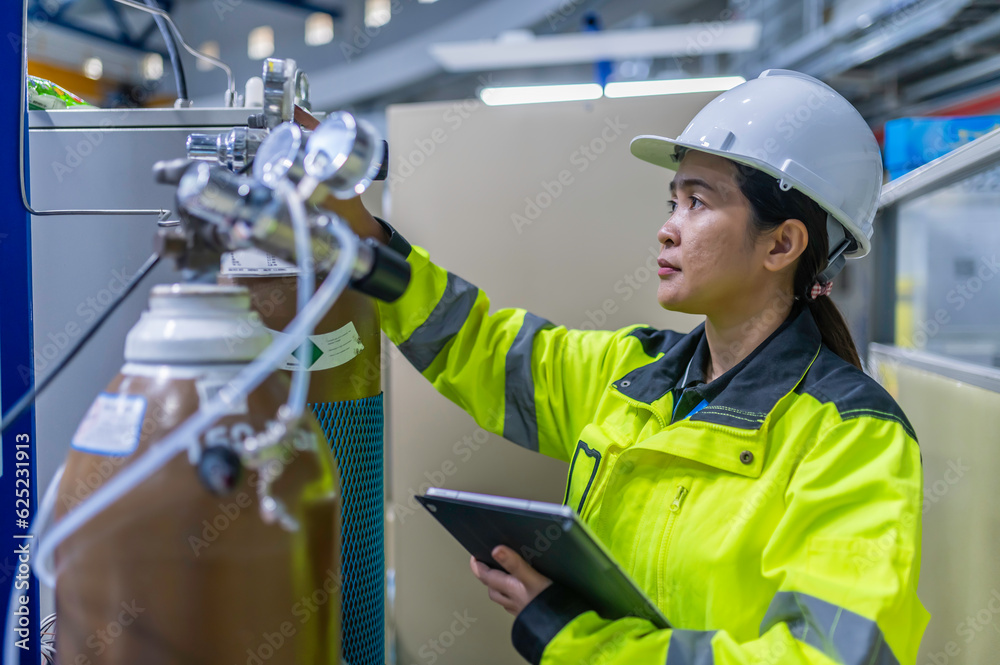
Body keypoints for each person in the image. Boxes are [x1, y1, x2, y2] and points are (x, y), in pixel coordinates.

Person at [333, 70, 928, 664]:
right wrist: (362, 245)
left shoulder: (853, 439)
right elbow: (482, 350)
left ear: (782, 245)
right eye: (673, 201)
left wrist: (575, 639)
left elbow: (824, 658)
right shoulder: (632, 372)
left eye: (698, 201)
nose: (667, 229)